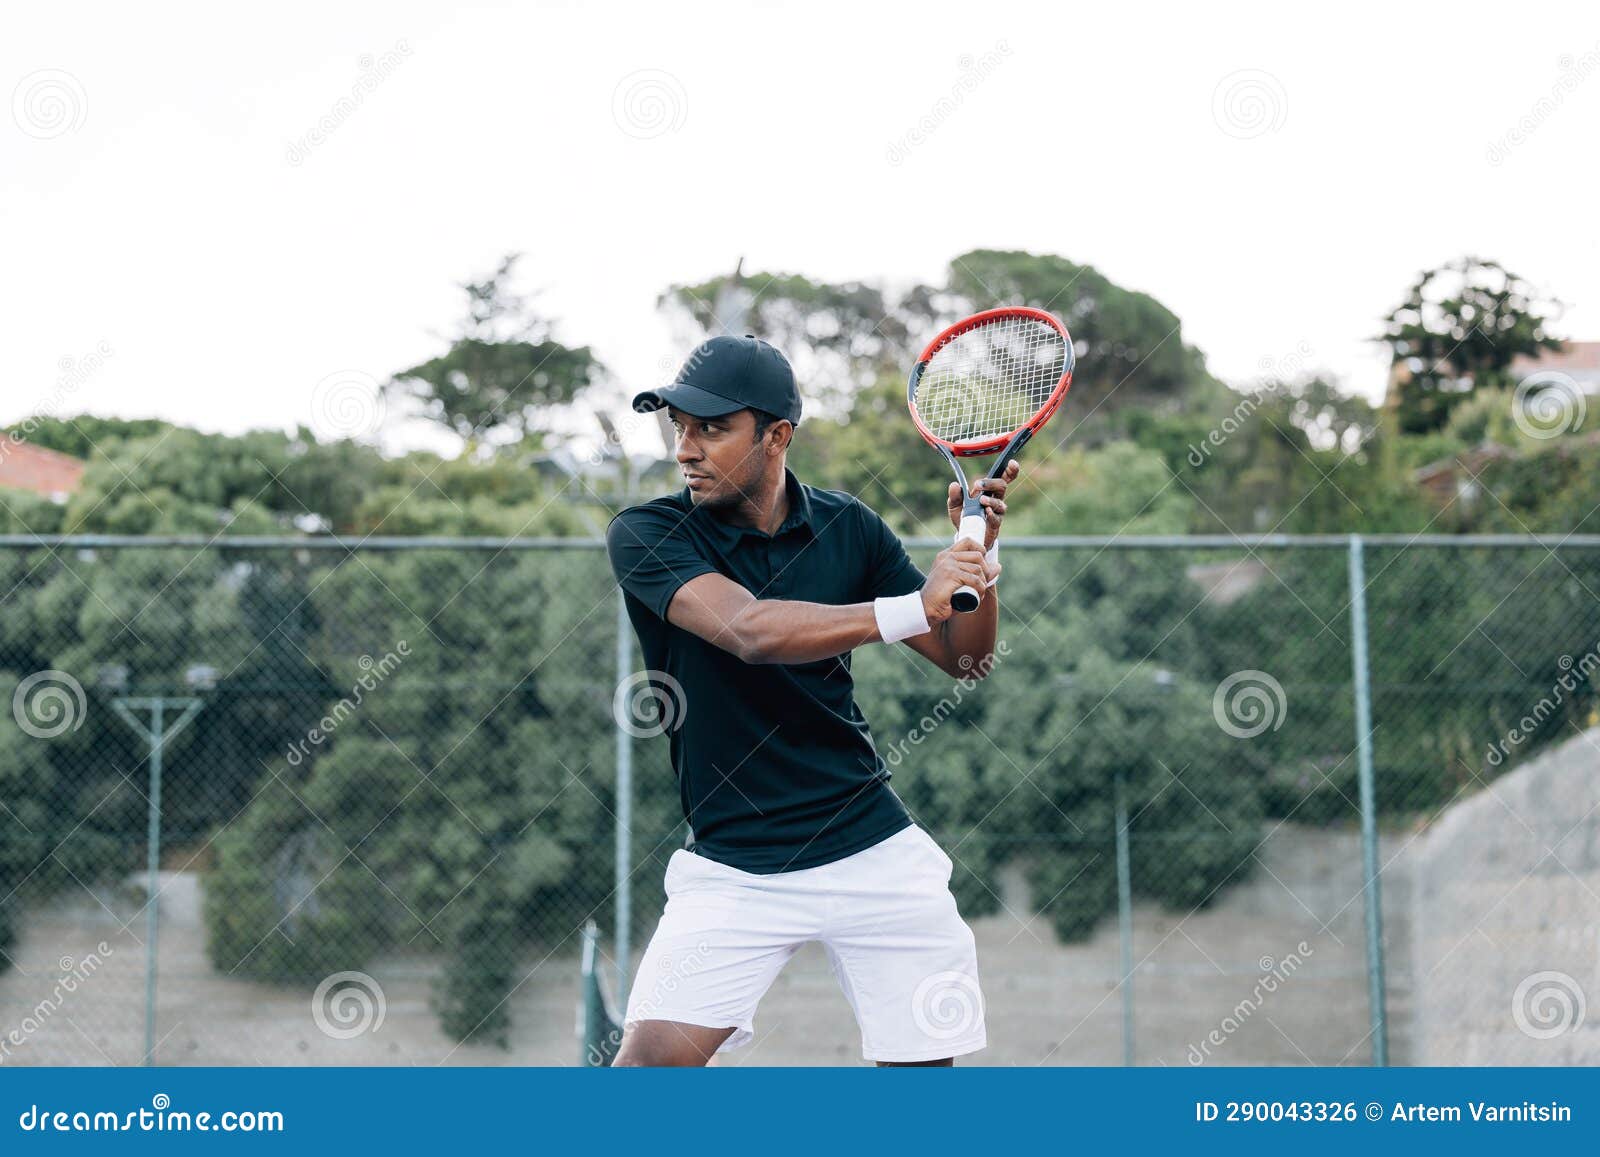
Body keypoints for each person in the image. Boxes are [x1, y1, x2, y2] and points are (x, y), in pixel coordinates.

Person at [605, 333, 1014, 1066]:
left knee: (923, 1085)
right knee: (645, 1071)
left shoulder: (848, 526)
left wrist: (977, 561)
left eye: (712, 428)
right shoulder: (648, 532)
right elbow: (749, 630)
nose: (686, 449)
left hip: (871, 844)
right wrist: (912, 606)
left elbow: (966, 658)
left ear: (777, 435)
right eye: (680, 427)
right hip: (734, 864)